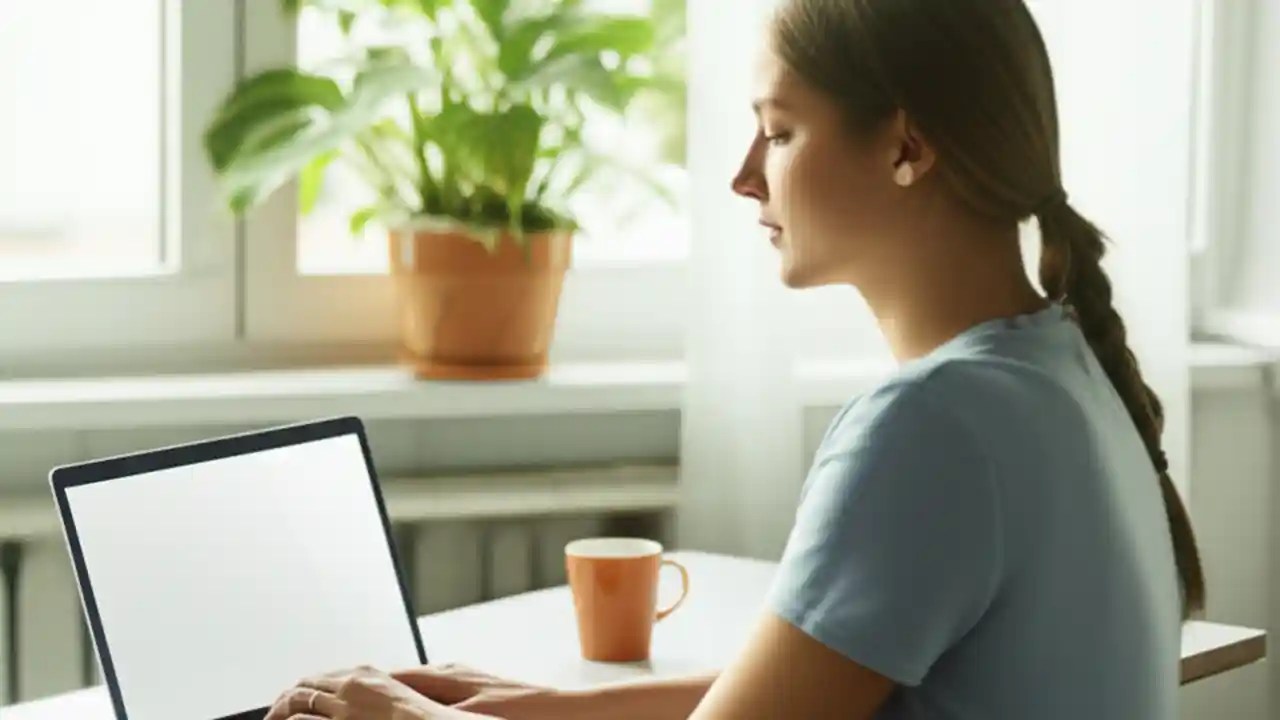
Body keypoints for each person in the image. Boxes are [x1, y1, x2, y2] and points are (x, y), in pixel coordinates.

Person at [263, 0, 1204, 717]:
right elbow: (813, 687)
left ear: (908, 147)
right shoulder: (1060, 367)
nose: (745, 173)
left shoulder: (933, 425)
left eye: (781, 130)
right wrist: (548, 710)